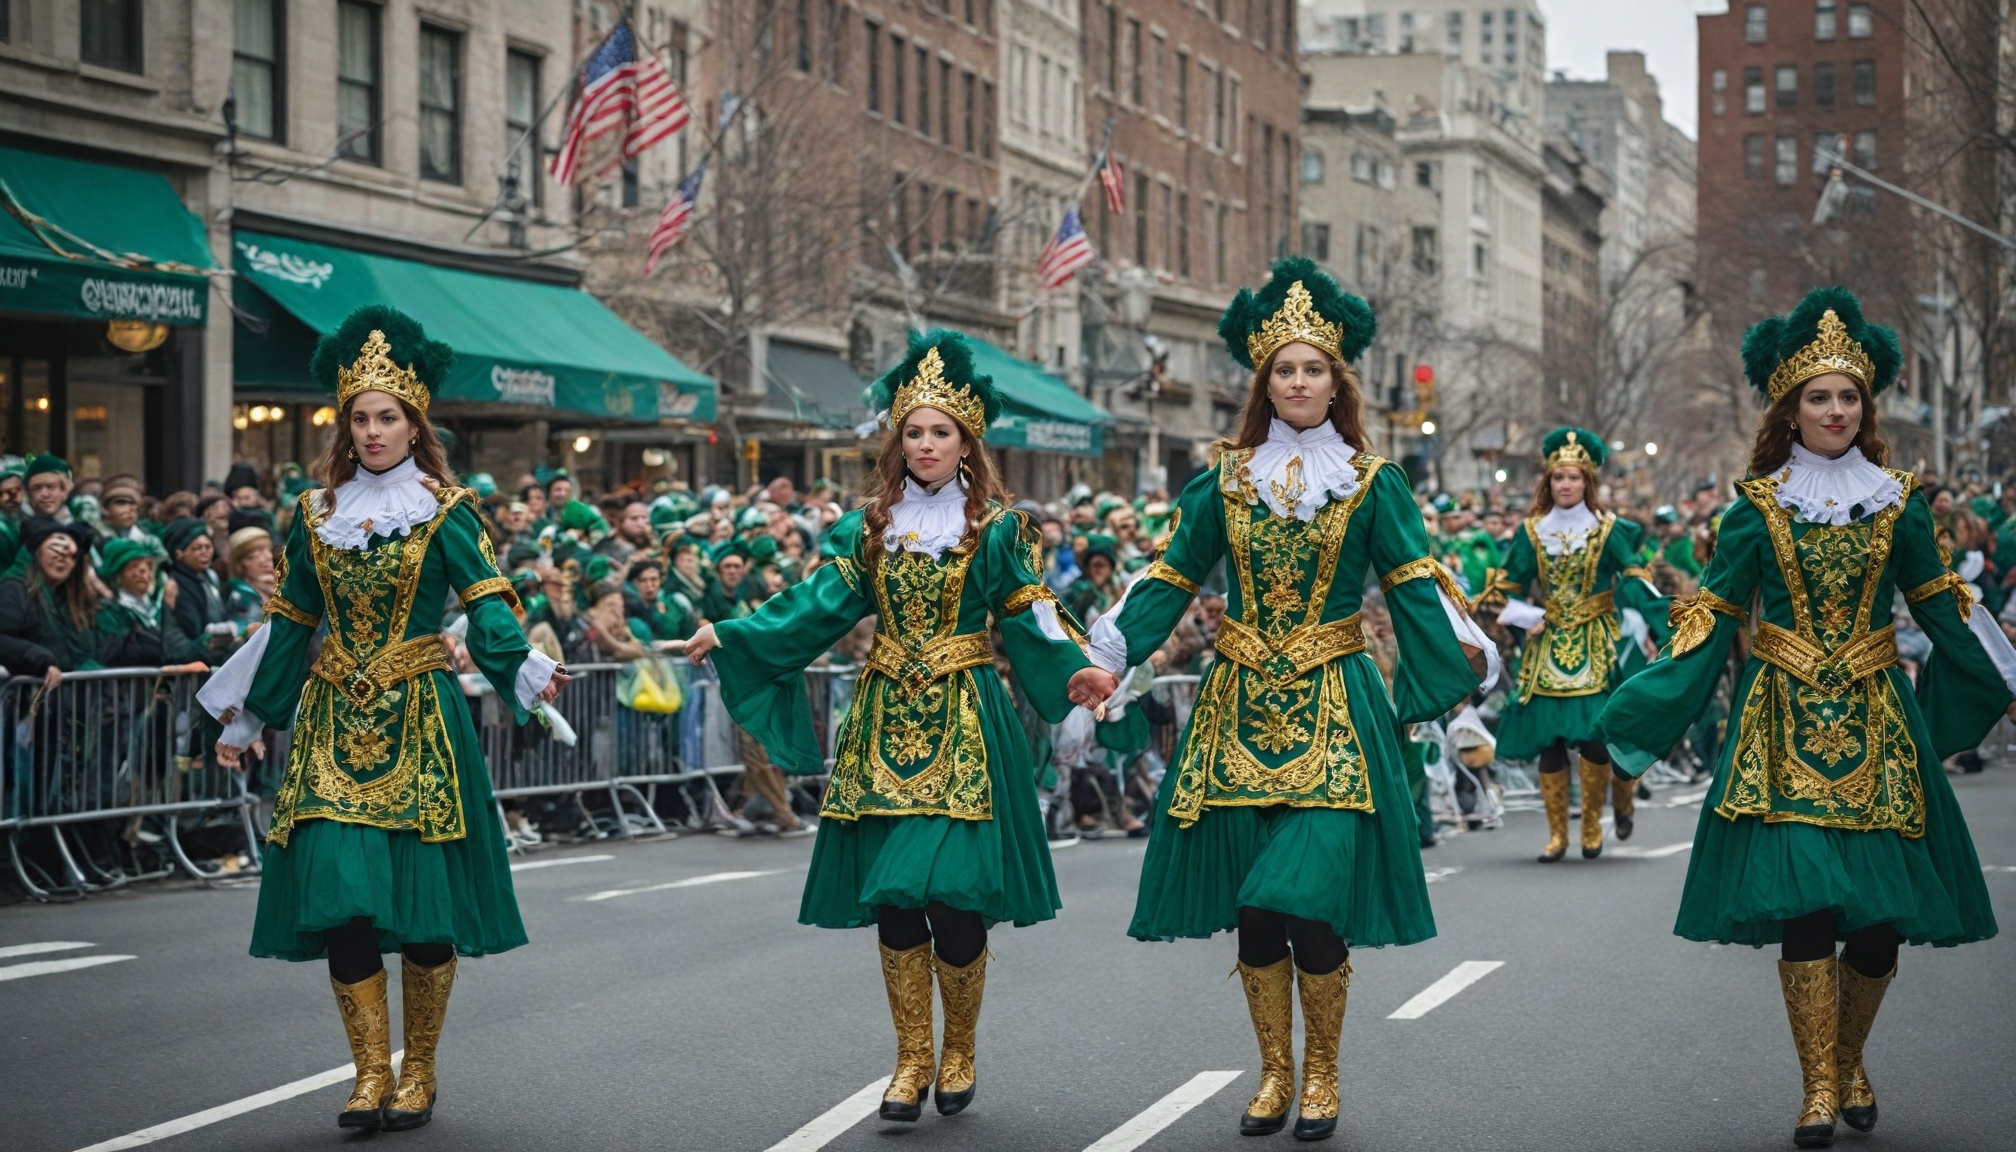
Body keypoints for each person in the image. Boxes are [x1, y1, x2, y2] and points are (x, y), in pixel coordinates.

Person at [1083, 259, 1494, 1141]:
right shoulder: (1224, 480)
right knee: (1258, 911)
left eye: (1313, 369)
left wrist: (1463, 667)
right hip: (1234, 709)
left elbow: (1416, 584)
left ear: (1334, 382)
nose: (1299, 382)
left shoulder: (1375, 482)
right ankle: (1275, 1073)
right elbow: (1168, 576)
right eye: (1284, 370)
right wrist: (1103, 661)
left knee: (1308, 897)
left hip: (1336, 709)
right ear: (1263, 382)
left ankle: (1325, 1076)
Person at [1599, 288, 2010, 1150]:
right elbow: (1712, 614)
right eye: (1818, 396)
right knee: (1808, 909)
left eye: (1848, 396)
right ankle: (1818, 1083)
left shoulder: (1899, 502)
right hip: (1780, 726)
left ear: (1866, 407)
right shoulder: (1758, 503)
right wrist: (1644, 706)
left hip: (1879, 727)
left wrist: (2000, 669)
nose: (1834, 410)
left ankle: (1850, 1055)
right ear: (1792, 410)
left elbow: (1940, 606)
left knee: (1880, 927)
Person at [685, 331, 1112, 1124]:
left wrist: (1077, 665)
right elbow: (816, 606)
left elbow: (1030, 613)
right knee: (892, 900)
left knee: (949, 896)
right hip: (883, 720)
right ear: (898, 440)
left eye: (939, 432)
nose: (924, 444)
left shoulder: (996, 529)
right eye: (912, 431)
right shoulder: (869, 527)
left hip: (962, 718)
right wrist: (735, 633)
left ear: (965, 442)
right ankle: (913, 1058)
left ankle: (960, 1049)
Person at [199, 306, 567, 1135]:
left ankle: (420, 1072)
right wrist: (248, 717)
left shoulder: (446, 508)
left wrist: (524, 669)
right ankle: (369, 1073)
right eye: (359, 418)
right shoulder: (315, 515)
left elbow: (488, 603)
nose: (371, 431)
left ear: (414, 422)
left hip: (422, 721)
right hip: (333, 722)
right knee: (344, 899)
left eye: (387, 417)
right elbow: (291, 622)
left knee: (424, 909)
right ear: (346, 424)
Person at [1473, 428, 1666, 861]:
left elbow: (1634, 574)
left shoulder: (1607, 529)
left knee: (1595, 738)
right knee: (1550, 742)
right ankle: (1558, 834)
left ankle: (1594, 823)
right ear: (1548, 482)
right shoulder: (1532, 531)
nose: (1565, 485)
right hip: (1546, 646)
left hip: (1596, 642)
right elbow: (1506, 587)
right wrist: (1528, 617)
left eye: (1574, 478)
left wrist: (1659, 612)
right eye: (1558, 477)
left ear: (1587, 483)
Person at [0, 518, 104, 680]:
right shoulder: (14, 588)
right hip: (31, 699)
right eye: (55, 549)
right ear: (37, 552)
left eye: (72, 556)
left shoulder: (74, 601)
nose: (63, 558)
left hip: (74, 700)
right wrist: (42, 660)